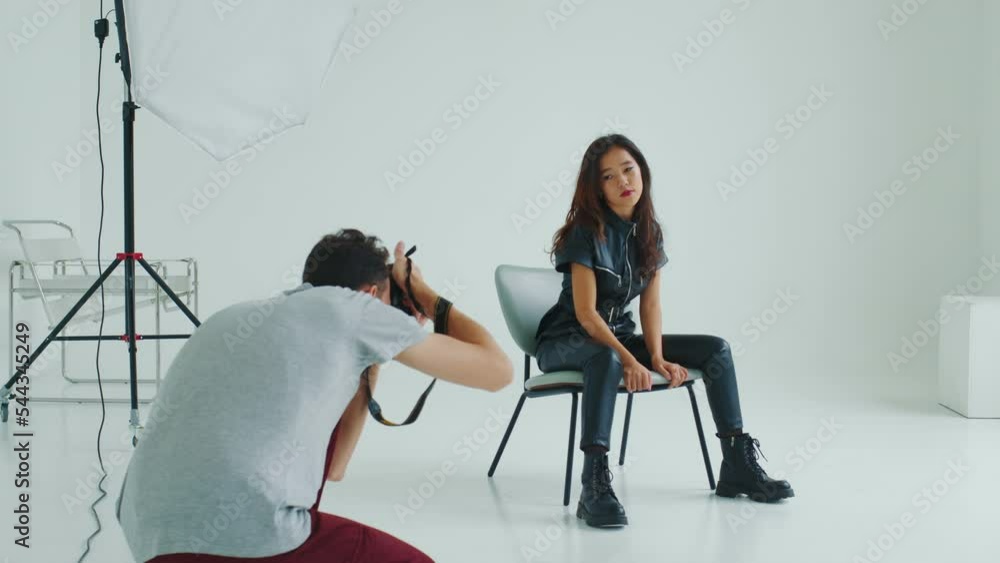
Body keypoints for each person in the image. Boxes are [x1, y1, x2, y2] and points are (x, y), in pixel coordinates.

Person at [115, 229, 513, 563]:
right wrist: (423, 293)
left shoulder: (237, 315)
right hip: (248, 535)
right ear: (372, 294)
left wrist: (373, 354)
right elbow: (498, 371)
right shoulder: (354, 309)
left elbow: (334, 469)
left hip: (151, 539)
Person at [534, 134, 794, 529]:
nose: (623, 181)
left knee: (716, 350)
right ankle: (594, 483)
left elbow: (650, 305)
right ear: (597, 189)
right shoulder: (583, 234)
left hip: (616, 339)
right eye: (608, 176)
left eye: (628, 169)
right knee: (604, 356)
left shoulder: (648, 232)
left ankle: (736, 462)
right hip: (566, 342)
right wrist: (626, 359)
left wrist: (653, 357)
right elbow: (586, 314)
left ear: (642, 172)